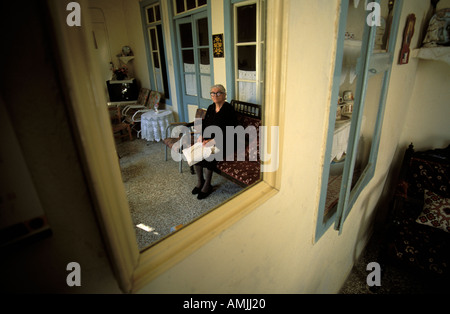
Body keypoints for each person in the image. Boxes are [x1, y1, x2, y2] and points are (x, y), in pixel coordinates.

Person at [192, 84, 237, 200]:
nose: (215, 95)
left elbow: (231, 131)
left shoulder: (228, 109)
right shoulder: (211, 108)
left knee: (210, 154)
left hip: (227, 141)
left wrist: (213, 141)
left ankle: (207, 185)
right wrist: (201, 136)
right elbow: (206, 124)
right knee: (197, 151)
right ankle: (200, 181)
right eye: (212, 93)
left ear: (224, 95)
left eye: (218, 93)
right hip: (209, 138)